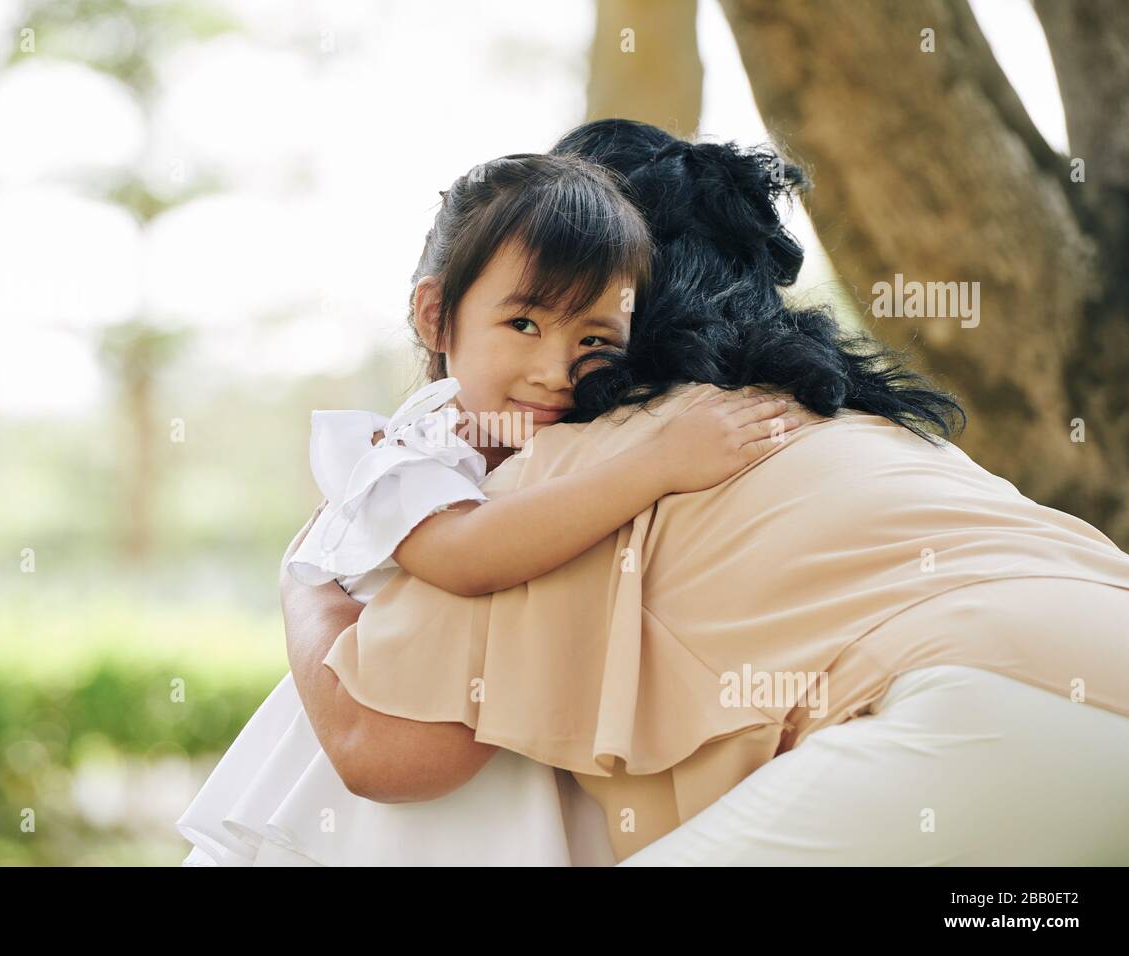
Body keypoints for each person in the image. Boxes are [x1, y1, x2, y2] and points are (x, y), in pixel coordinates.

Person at [266, 120, 1129, 865]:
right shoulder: (868, 427)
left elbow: (379, 749)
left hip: (970, 716)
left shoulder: (594, 466)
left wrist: (304, 583)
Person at [177, 151, 808, 866]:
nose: (556, 370)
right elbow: (466, 555)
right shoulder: (404, 452)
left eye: (594, 340)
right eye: (525, 325)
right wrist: (659, 463)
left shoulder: (550, 453)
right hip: (358, 806)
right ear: (436, 315)